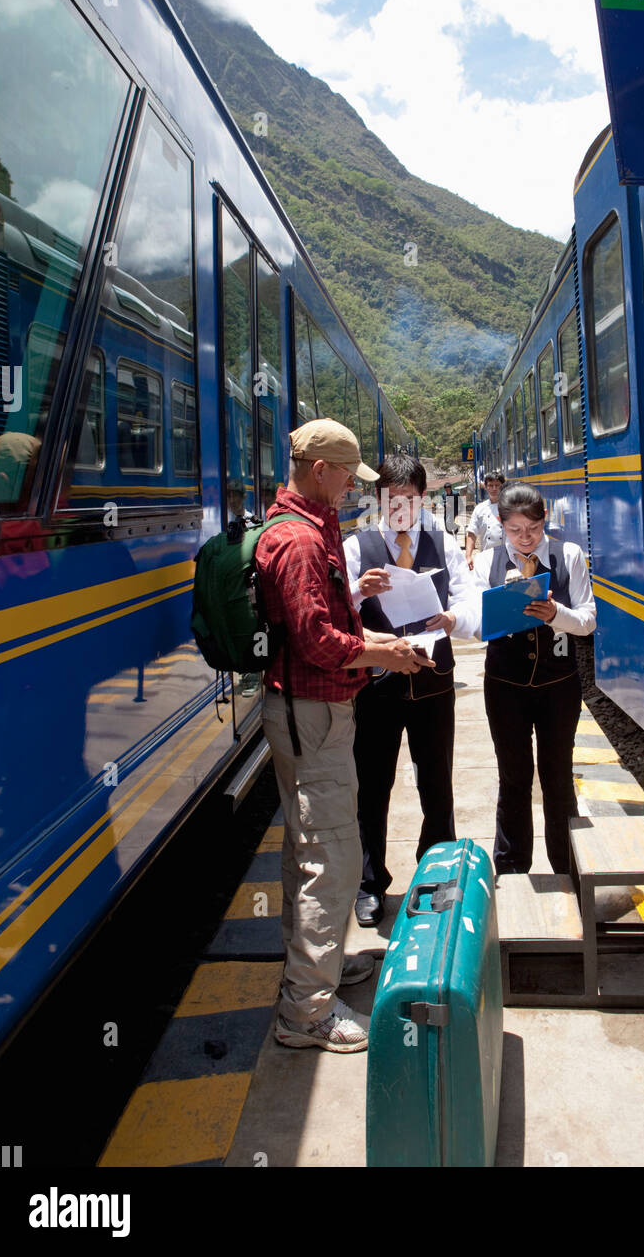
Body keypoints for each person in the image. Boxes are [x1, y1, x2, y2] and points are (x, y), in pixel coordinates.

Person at [256, 420, 433, 1051]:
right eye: (346, 477)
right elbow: (317, 642)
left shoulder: (306, 525)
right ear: (321, 469)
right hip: (313, 715)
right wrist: (383, 657)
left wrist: (381, 642)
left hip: (316, 712)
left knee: (314, 847)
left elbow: (336, 622)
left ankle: (318, 970)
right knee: (326, 859)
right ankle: (306, 1013)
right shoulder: (300, 541)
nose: (351, 491)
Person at [344, 454, 478, 926]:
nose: (400, 508)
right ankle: (369, 882)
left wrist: (452, 618)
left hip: (434, 680)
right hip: (377, 683)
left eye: (409, 499)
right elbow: (338, 609)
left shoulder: (441, 542)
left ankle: (437, 876)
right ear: (377, 499)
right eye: (391, 499)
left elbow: (467, 598)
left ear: (424, 499)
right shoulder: (357, 547)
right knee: (372, 783)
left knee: (436, 779)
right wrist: (359, 590)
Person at [472, 483, 596, 878]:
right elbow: (476, 623)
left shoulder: (569, 555)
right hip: (505, 687)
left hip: (558, 686)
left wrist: (555, 612)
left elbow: (588, 621)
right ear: (500, 525)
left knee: (558, 774)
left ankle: (566, 864)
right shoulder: (484, 564)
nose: (525, 538)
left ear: (546, 520)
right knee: (513, 776)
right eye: (515, 530)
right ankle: (511, 867)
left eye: (533, 528)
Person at [465, 471, 505, 569]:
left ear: (502, 486)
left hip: (507, 557)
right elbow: (472, 533)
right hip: (486, 557)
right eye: (491, 485)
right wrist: (468, 555)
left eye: (497, 485)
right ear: (486, 487)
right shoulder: (479, 508)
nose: (494, 488)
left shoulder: (510, 506)